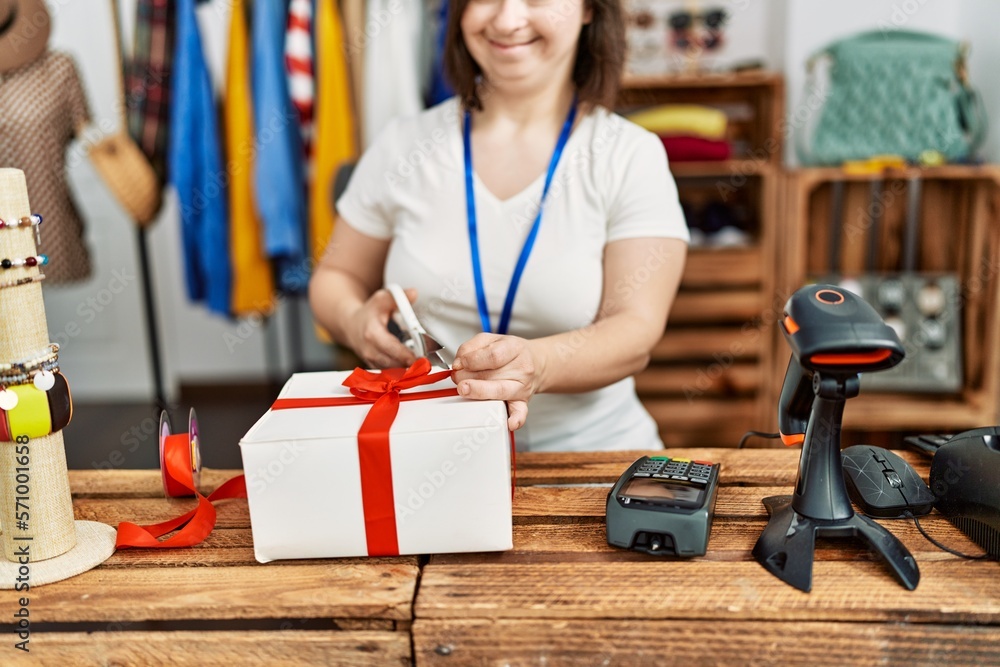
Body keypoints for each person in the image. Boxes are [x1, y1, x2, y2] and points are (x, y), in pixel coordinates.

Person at [309, 0, 689, 452]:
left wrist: (538, 364)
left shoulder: (630, 156)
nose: (507, 20)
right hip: (429, 452)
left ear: (590, 9)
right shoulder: (403, 146)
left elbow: (635, 329)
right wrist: (355, 321)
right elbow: (336, 276)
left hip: (589, 460)